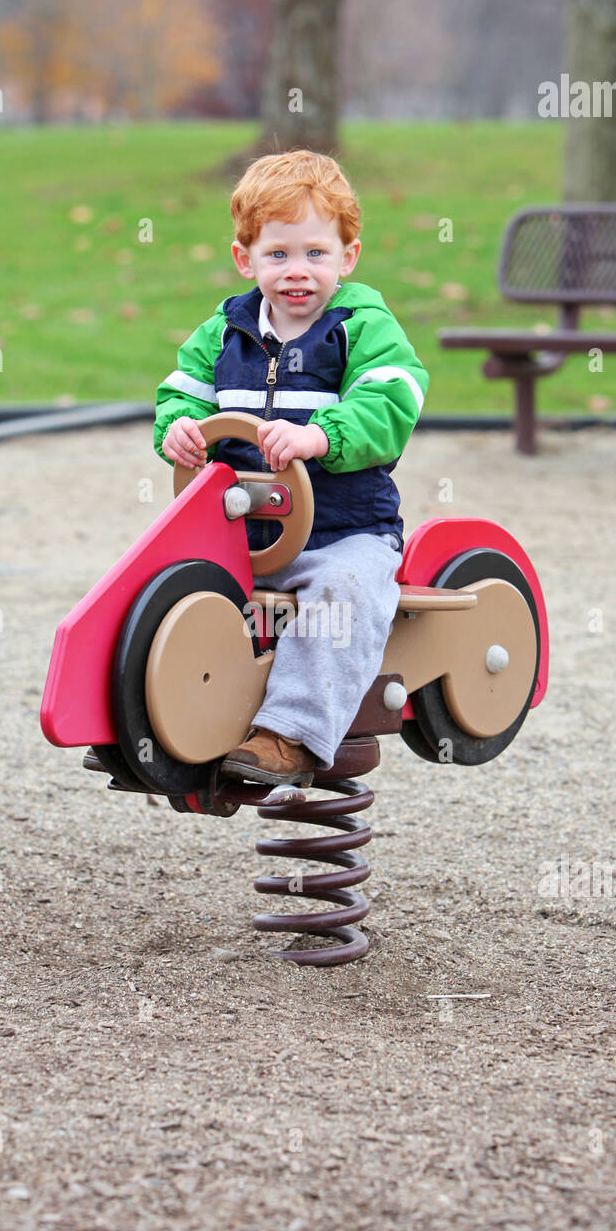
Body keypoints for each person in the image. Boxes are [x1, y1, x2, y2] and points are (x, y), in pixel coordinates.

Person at [153, 149, 428, 786]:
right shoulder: (224, 333)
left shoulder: (361, 328)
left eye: (315, 253)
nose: (296, 272)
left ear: (348, 257)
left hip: (344, 532)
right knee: (167, 581)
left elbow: (392, 402)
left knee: (341, 594)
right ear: (245, 259)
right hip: (244, 536)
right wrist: (179, 432)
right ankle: (158, 715)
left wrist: (319, 437)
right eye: (278, 255)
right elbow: (183, 394)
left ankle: (293, 734)